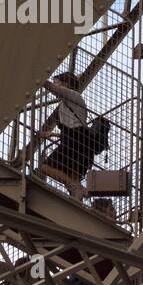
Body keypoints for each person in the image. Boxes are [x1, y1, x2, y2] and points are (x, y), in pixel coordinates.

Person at [41, 71, 96, 199]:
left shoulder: (73, 95)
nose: (55, 85)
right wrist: (52, 134)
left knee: (45, 166)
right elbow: (71, 127)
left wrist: (40, 79)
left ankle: (75, 187)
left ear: (65, 83)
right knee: (73, 175)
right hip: (79, 139)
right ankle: (78, 193)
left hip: (74, 139)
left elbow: (53, 89)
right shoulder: (67, 102)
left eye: (57, 82)